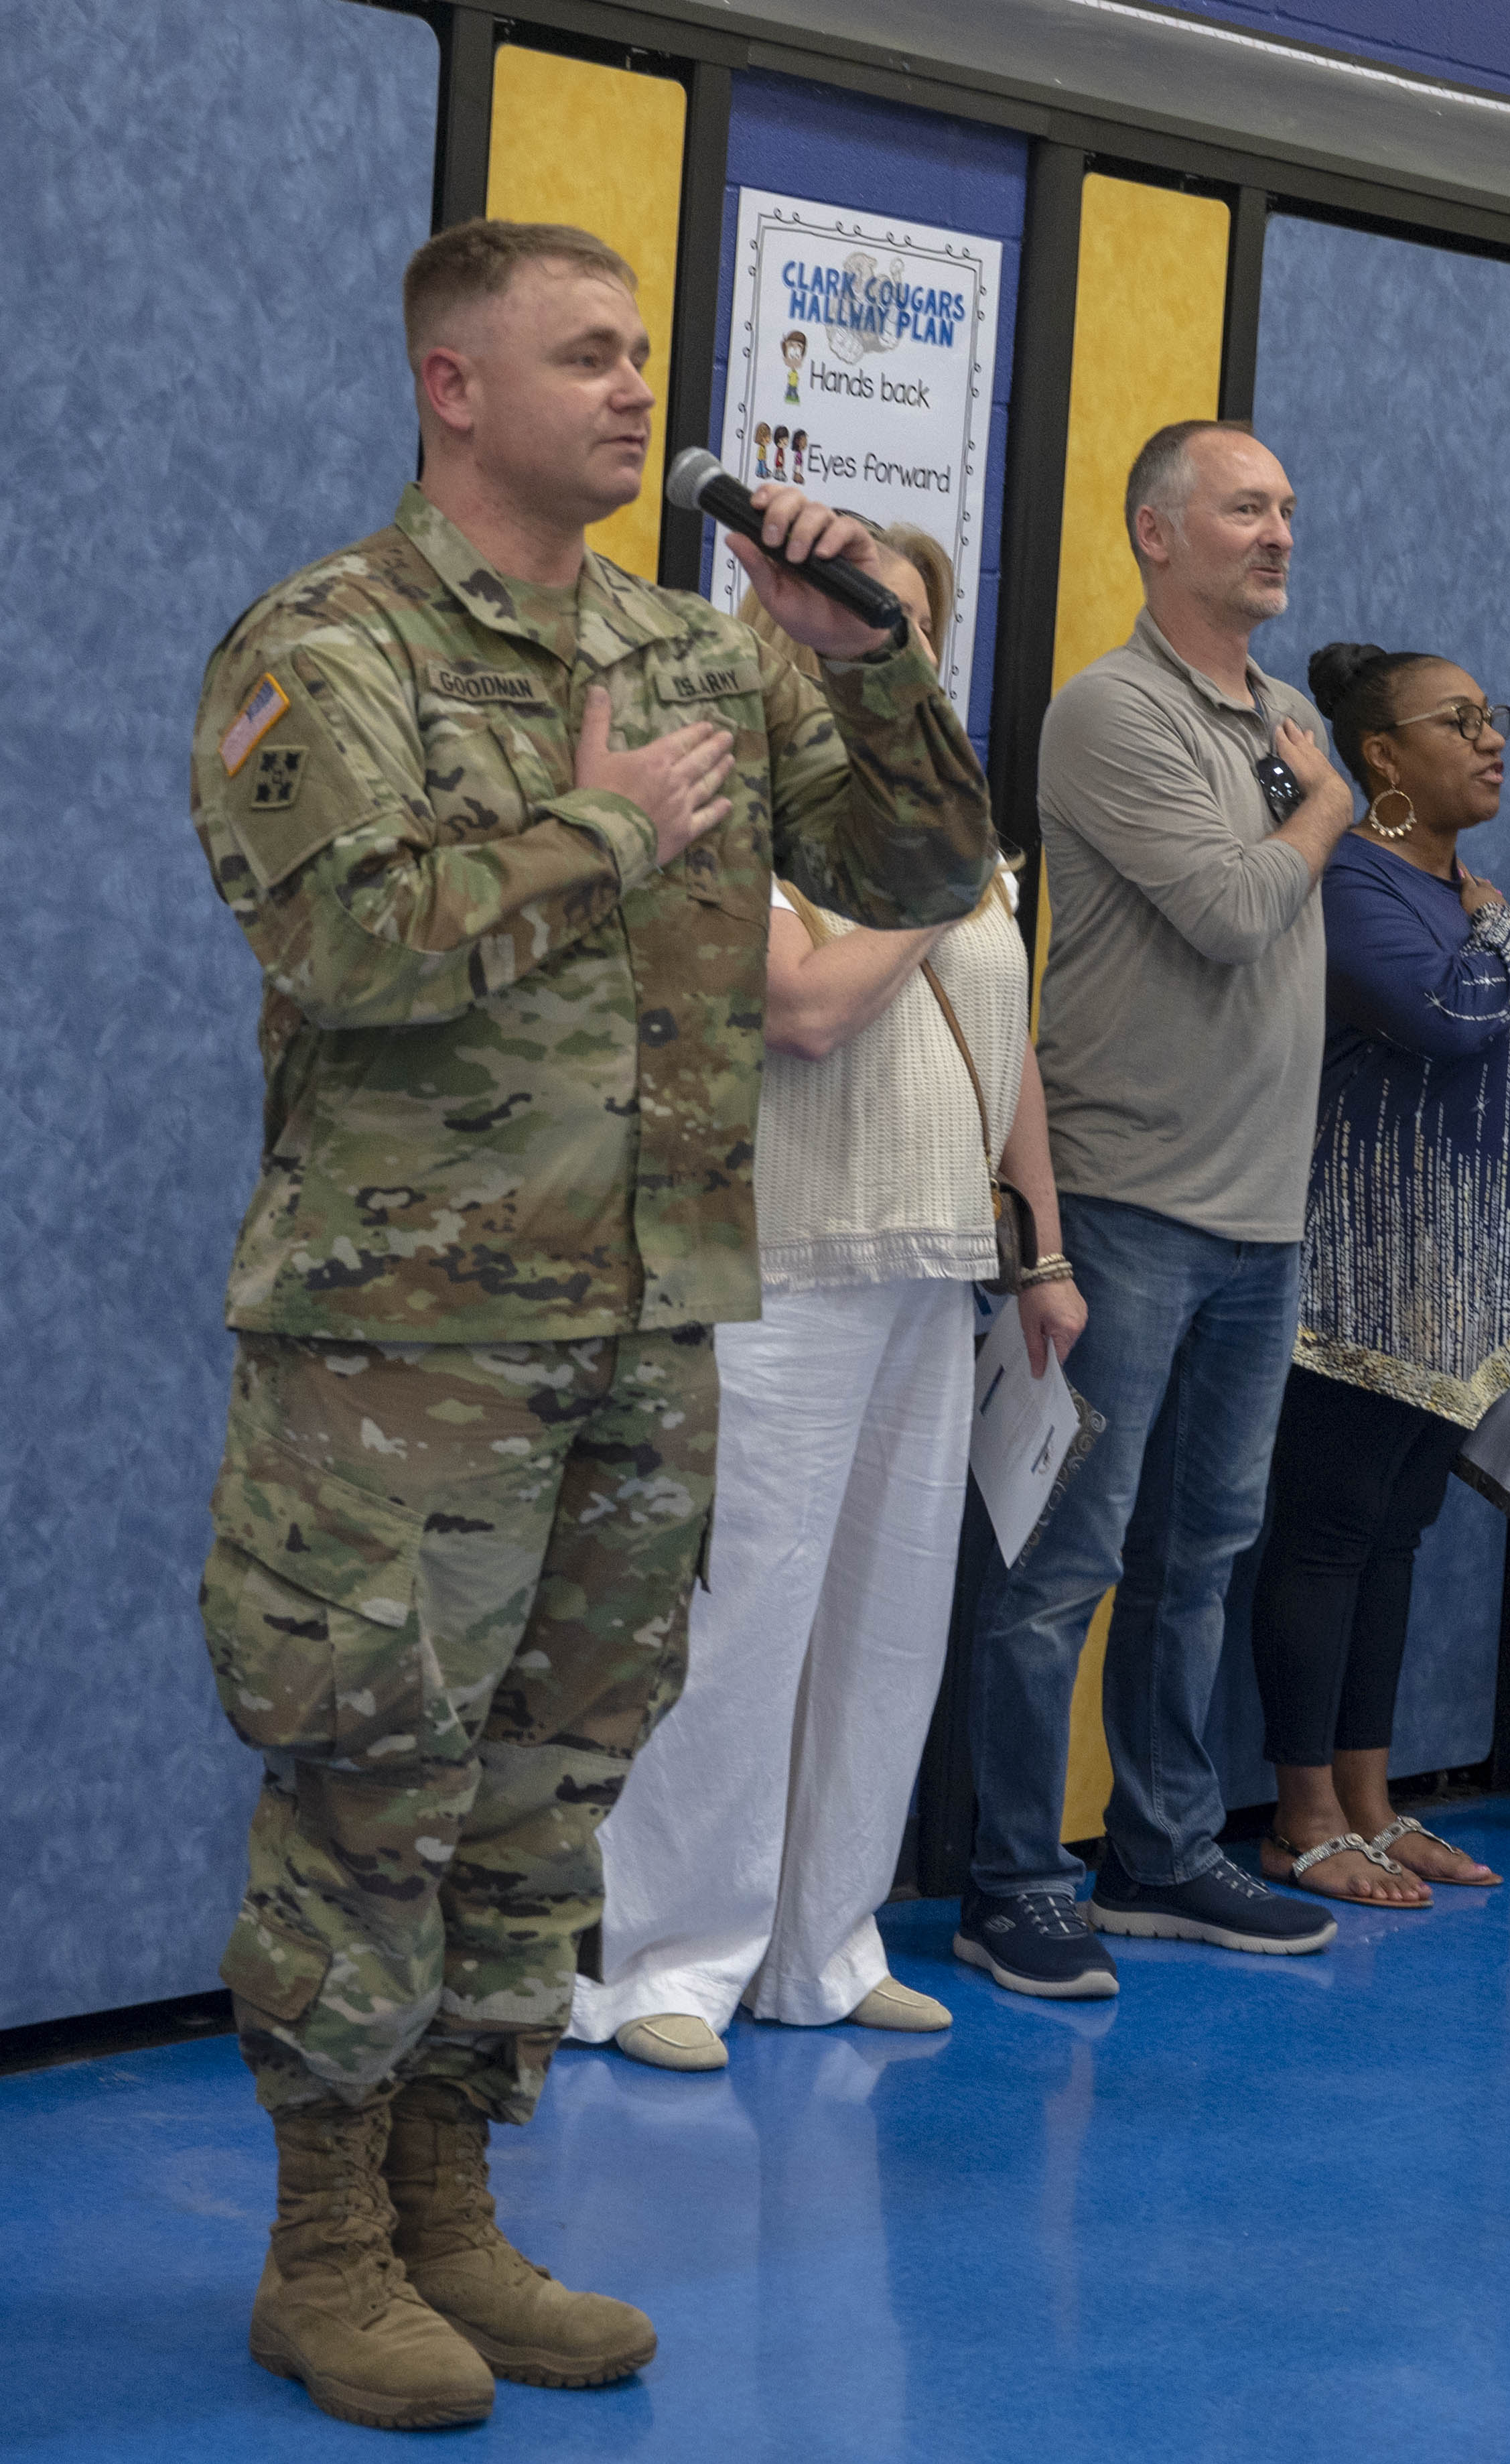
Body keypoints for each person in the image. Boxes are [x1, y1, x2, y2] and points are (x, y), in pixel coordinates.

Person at [184, 220, 993, 2429]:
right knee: (374, 1780)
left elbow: (922, 877)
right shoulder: (325, 643)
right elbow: (348, 939)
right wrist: (595, 823)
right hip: (402, 1348)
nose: (641, 392)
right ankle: (324, 2249)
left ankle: (454, 2208)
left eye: (646, 354)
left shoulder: (698, 651)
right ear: (455, 386)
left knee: (548, 1793)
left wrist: (877, 657)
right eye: (587, 356)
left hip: (647, 1320)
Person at [568, 523, 1075, 2071]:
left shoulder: (953, 825)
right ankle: (664, 1961)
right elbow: (798, 1007)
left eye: (910, 627)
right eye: (861, 620)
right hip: (777, 1260)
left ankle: (823, 1943)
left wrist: (1043, 1249)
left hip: (934, 1268)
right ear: (786, 631)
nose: (884, 647)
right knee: (741, 1622)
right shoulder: (738, 796)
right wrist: (931, 887)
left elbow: (1012, 1057)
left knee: (887, 1616)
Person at [955, 420, 1351, 1998]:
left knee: (1206, 1553)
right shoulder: (1109, 712)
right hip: (1123, 1205)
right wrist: (1326, 809)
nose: (1277, 530)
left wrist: (1312, 784)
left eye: (1286, 506)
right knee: (1061, 1564)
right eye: (1245, 505)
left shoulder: (1289, 714)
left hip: (1261, 1214)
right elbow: (1233, 906)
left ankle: (1160, 1849)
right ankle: (1006, 1880)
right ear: (1153, 533)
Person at [1247, 642, 1510, 1904]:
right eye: (1460, 721)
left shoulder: (1458, 884)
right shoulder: (1357, 881)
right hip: (1363, 1275)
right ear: (1381, 757)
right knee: (1327, 1536)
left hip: (1471, 1280)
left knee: (1397, 1537)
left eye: (1495, 716)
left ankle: (1374, 1802)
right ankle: (1301, 1812)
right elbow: (1454, 1015)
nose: (1491, 738)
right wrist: (1499, 923)